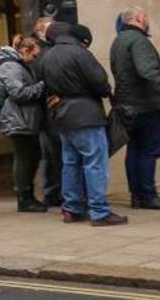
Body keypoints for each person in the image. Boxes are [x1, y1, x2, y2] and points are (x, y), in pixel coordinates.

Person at [39, 21, 126, 226]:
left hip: (61, 115)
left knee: (70, 163)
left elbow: (44, 85)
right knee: (95, 163)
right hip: (86, 114)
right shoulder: (80, 53)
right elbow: (100, 82)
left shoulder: (46, 56)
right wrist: (105, 91)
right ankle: (99, 211)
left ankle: (72, 208)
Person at [110, 7, 160, 210]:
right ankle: (148, 195)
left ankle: (136, 196)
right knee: (148, 150)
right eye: (146, 17)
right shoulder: (139, 41)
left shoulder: (118, 41)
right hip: (145, 106)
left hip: (126, 106)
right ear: (139, 19)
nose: (147, 21)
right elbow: (148, 71)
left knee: (134, 150)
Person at [0, 35, 48, 212]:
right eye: (34, 56)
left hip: (23, 118)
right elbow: (18, 93)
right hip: (18, 119)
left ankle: (28, 196)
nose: (35, 60)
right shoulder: (11, 66)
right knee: (24, 158)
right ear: (24, 50)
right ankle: (25, 198)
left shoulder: (18, 65)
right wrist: (42, 86)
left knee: (31, 156)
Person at [33, 16, 63, 207]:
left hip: (51, 112)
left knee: (54, 155)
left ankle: (54, 192)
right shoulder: (41, 53)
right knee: (52, 155)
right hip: (48, 112)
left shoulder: (49, 50)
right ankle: (52, 193)